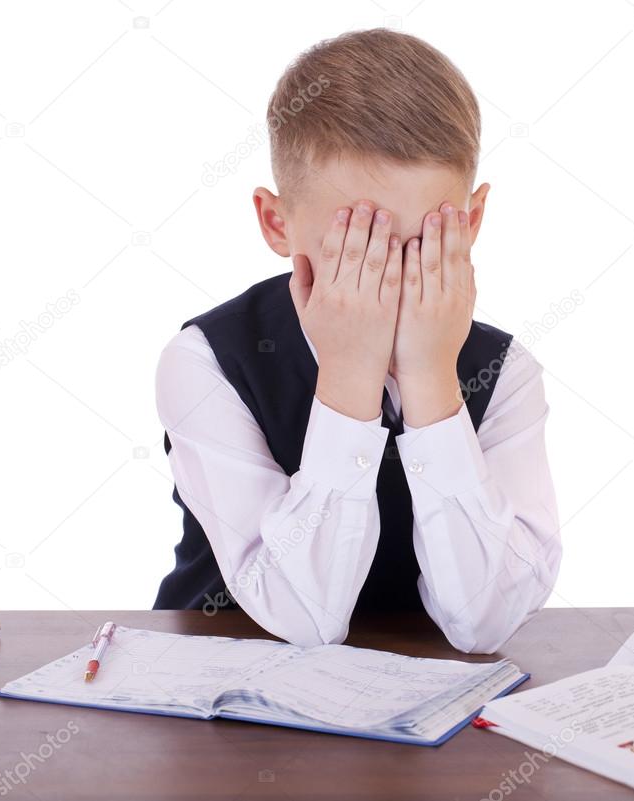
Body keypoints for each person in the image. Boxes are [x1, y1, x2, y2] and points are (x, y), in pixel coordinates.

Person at [152, 29, 562, 654]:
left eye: (420, 243)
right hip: (221, 698)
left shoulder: (505, 373)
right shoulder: (207, 362)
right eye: (358, 247)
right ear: (276, 222)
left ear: (470, 223)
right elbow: (303, 620)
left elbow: (484, 623)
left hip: (425, 714)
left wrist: (430, 381)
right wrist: (350, 378)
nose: (389, 277)